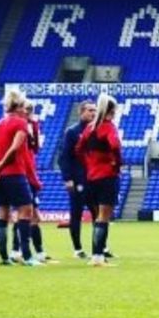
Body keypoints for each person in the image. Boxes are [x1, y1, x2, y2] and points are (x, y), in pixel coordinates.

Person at [0, 88, 36, 266]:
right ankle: (27, 256)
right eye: (24, 108)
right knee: (25, 210)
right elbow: (15, 148)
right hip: (14, 173)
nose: (26, 111)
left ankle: (4, 258)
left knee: (2, 214)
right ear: (19, 107)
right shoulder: (20, 124)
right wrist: (1, 165)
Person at [74, 93, 122, 266]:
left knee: (97, 216)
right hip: (107, 176)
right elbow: (115, 145)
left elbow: (78, 149)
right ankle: (98, 257)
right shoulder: (108, 127)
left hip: (91, 177)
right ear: (111, 110)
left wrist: (89, 163)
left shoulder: (89, 128)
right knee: (103, 216)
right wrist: (116, 164)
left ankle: (97, 255)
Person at [12, 99, 51, 262]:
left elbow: (35, 148)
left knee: (32, 217)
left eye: (31, 109)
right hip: (23, 176)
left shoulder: (27, 129)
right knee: (27, 215)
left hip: (30, 175)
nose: (29, 112)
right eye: (26, 109)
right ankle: (18, 251)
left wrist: (34, 125)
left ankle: (35, 252)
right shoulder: (17, 128)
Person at [58, 99, 96, 259]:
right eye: (89, 110)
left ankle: (100, 246)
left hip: (94, 178)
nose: (93, 113)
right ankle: (77, 249)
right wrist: (68, 178)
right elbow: (64, 157)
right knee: (76, 214)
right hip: (78, 179)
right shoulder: (72, 132)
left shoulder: (97, 130)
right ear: (81, 112)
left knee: (98, 213)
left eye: (94, 110)